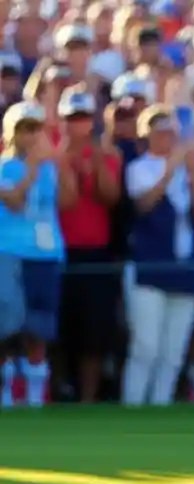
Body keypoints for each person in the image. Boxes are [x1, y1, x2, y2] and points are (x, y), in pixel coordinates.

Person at [121, 105, 194, 406]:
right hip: (149, 269)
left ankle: (160, 406)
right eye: (161, 133)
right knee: (146, 347)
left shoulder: (187, 169)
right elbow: (144, 204)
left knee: (173, 352)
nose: (168, 139)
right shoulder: (139, 167)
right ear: (147, 136)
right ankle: (133, 406)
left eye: (172, 133)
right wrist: (171, 168)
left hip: (184, 268)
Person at [0, 101, 76, 409]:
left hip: (46, 254)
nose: (32, 135)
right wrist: (33, 165)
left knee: (40, 326)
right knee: (7, 323)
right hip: (10, 253)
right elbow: (15, 201)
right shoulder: (5, 166)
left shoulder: (50, 167)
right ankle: (6, 391)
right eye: (25, 129)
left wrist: (59, 162)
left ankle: (33, 396)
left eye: (36, 128)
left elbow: (69, 201)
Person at [55, 86, 122, 404]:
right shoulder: (52, 154)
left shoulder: (105, 155)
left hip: (96, 252)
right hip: (59, 252)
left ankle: (87, 400)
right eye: (71, 117)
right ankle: (54, 393)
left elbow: (110, 198)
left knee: (93, 333)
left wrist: (94, 164)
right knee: (58, 330)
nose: (77, 124)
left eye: (82, 117)